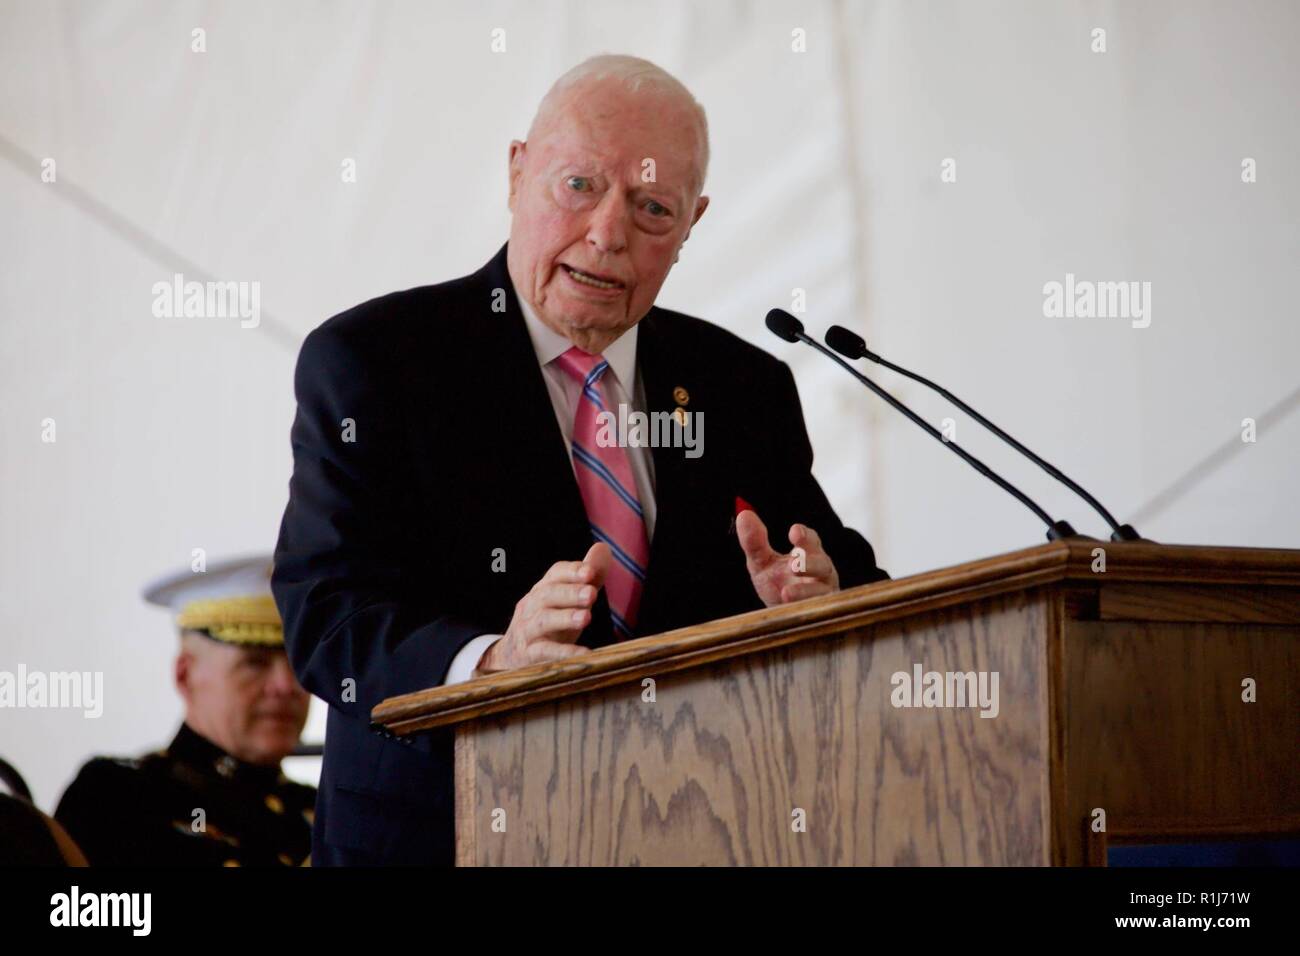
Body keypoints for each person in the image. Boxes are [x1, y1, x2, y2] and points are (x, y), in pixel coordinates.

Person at [273, 54, 888, 865]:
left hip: (689, 836)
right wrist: (493, 662)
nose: (607, 233)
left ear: (693, 223)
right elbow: (327, 613)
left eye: (652, 207)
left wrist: (818, 605)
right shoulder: (377, 362)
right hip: (440, 839)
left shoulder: (740, 388)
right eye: (578, 186)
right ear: (517, 172)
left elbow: (855, 588)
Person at [55, 556, 315, 866]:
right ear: (185, 675)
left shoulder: (324, 811)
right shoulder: (116, 798)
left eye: (299, 665)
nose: (287, 686)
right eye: (255, 663)